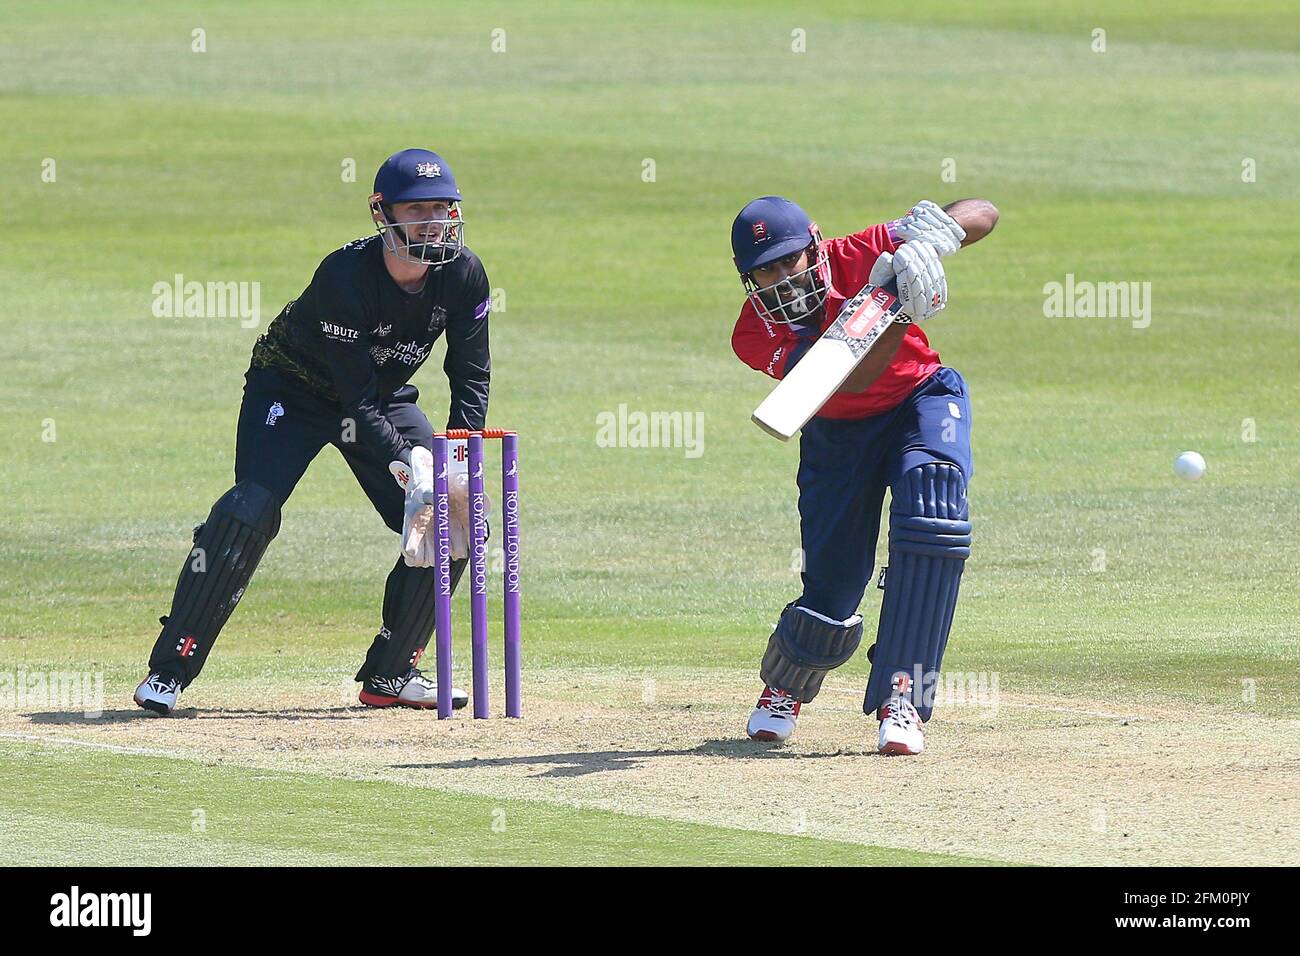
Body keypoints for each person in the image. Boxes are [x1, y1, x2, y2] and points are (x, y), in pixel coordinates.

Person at [133, 148, 492, 715]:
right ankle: (172, 669)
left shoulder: (465, 274)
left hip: (382, 397)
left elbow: (470, 374)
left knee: (456, 512)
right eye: (417, 208)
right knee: (248, 511)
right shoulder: (345, 274)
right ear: (382, 213)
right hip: (293, 390)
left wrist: (451, 460)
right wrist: (407, 460)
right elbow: (349, 398)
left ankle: (393, 675)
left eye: (443, 208)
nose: (433, 221)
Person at [731, 197, 998, 754]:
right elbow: (850, 379)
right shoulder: (753, 335)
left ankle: (902, 696)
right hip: (836, 431)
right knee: (834, 584)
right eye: (766, 270)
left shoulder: (861, 251)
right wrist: (889, 309)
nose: (783, 279)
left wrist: (935, 237)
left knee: (934, 515)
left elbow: (985, 212)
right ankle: (786, 686)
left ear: (816, 247)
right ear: (748, 280)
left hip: (919, 399)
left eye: (791, 261)